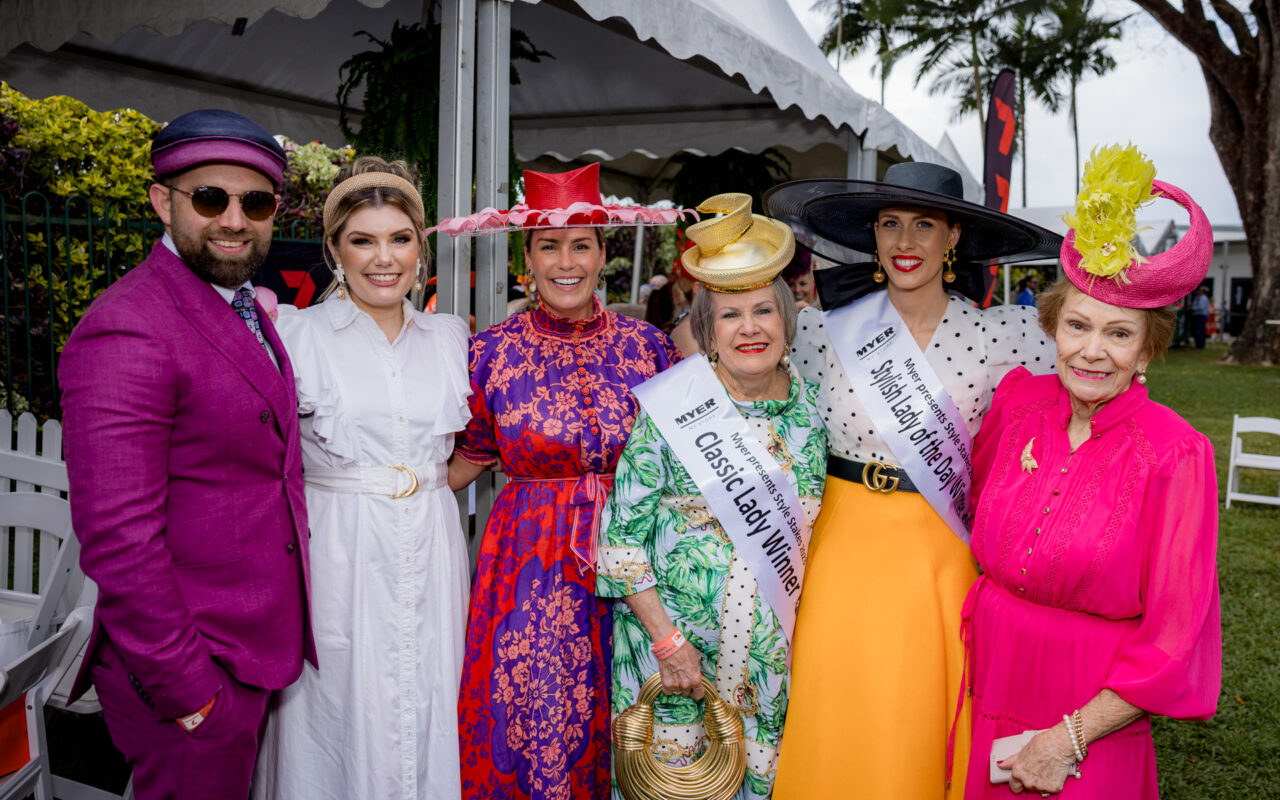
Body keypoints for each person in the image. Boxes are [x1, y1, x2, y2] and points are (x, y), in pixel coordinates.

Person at [763, 162, 1063, 799]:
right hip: (839, 547)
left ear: (953, 237)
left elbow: (1084, 389)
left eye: (924, 225)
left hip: (941, 551)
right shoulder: (821, 332)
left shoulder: (1002, 335)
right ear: (872, 238)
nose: (905, 241)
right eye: (890, 224)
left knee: (919, 711)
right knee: (838, 700)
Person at [58, 109, 312, 800]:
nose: (234, 218)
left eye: (254, 202)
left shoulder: (240, 304)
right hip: (191, 672)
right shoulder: (127, 327)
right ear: (161, 201)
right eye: (210, 198)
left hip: (250, 652)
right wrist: (190, 692)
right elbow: (117, 541)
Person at [964, 146, 1221, 799]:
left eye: (1119, 334)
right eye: (1078, 325)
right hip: (988, 686)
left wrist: (1066, 739)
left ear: (1147, 351)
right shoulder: (1018, 403)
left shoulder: (1174, 454)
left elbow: (1174, 638)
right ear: (1053, 326)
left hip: (1088, 724)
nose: (1092, 350)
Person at [437, 162, 686, 799]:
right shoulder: (487, 353)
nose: (566, 261)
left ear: (604, 254)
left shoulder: (650, 347)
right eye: (550, 245)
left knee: (640, 728)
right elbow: (463, 465)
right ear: (529, 257)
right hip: (528, 566)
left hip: (639, 563)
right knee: (536, 722)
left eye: (582, 244)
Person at [252, 158, 471, 799]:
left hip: (433, 549)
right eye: (363, 240)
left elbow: (476, 449)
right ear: (334, 250)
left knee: (428, 692)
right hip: (337, 553)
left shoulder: (451, 336)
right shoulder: (296, 335)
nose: (384, 258)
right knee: (338, 708)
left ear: (420, 247)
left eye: (399, 238)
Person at [598, 194, 827, 800]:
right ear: (707, 330)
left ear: (788, 320)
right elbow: (619, 543)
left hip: (768, 667)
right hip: (672, 661)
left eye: (762, 312)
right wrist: (669, 644)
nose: (749, 328)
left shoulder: (810, 411)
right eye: (730, 316)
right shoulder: (677, 406)